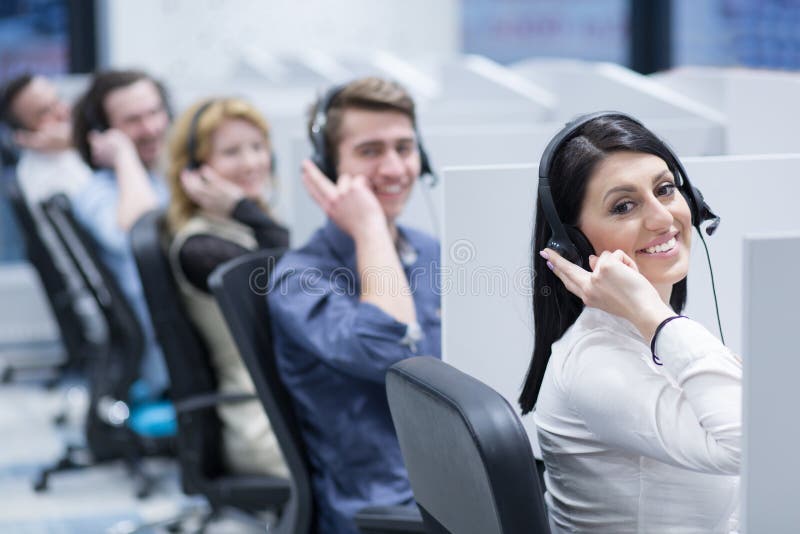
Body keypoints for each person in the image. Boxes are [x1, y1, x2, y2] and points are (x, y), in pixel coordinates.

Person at [519, 112, 741, 533]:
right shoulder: (596, 364)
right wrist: (652, 313)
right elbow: (751, 442)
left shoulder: (650, 336)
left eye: (665, 189)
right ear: (573, 245)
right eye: (624, 206)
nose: (663, 219)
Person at [268, 77, 441, 534]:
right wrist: (369, 228)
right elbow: (391, 351)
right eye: (369, 151)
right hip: (386, 507)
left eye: (404, 148)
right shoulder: (298, 279)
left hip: (457, 479)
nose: (394, 168)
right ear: (329, 170)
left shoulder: (429, 251)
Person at [165, 97, 289, 477]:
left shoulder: (241, 231)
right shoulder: (202, 249)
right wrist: (247, 211)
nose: (252, 162)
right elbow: (295, 297)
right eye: (232, 152)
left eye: (257, 147)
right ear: (194, 170)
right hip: (264, 428)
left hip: (286, 411)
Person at [71, 69, 172, 399]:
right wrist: (124, 155)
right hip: (171, 356)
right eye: (133, 120)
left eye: (155, 112)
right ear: (103, 132)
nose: (151, 128)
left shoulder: (156, 179)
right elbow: (139, 233)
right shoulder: (97, 192)